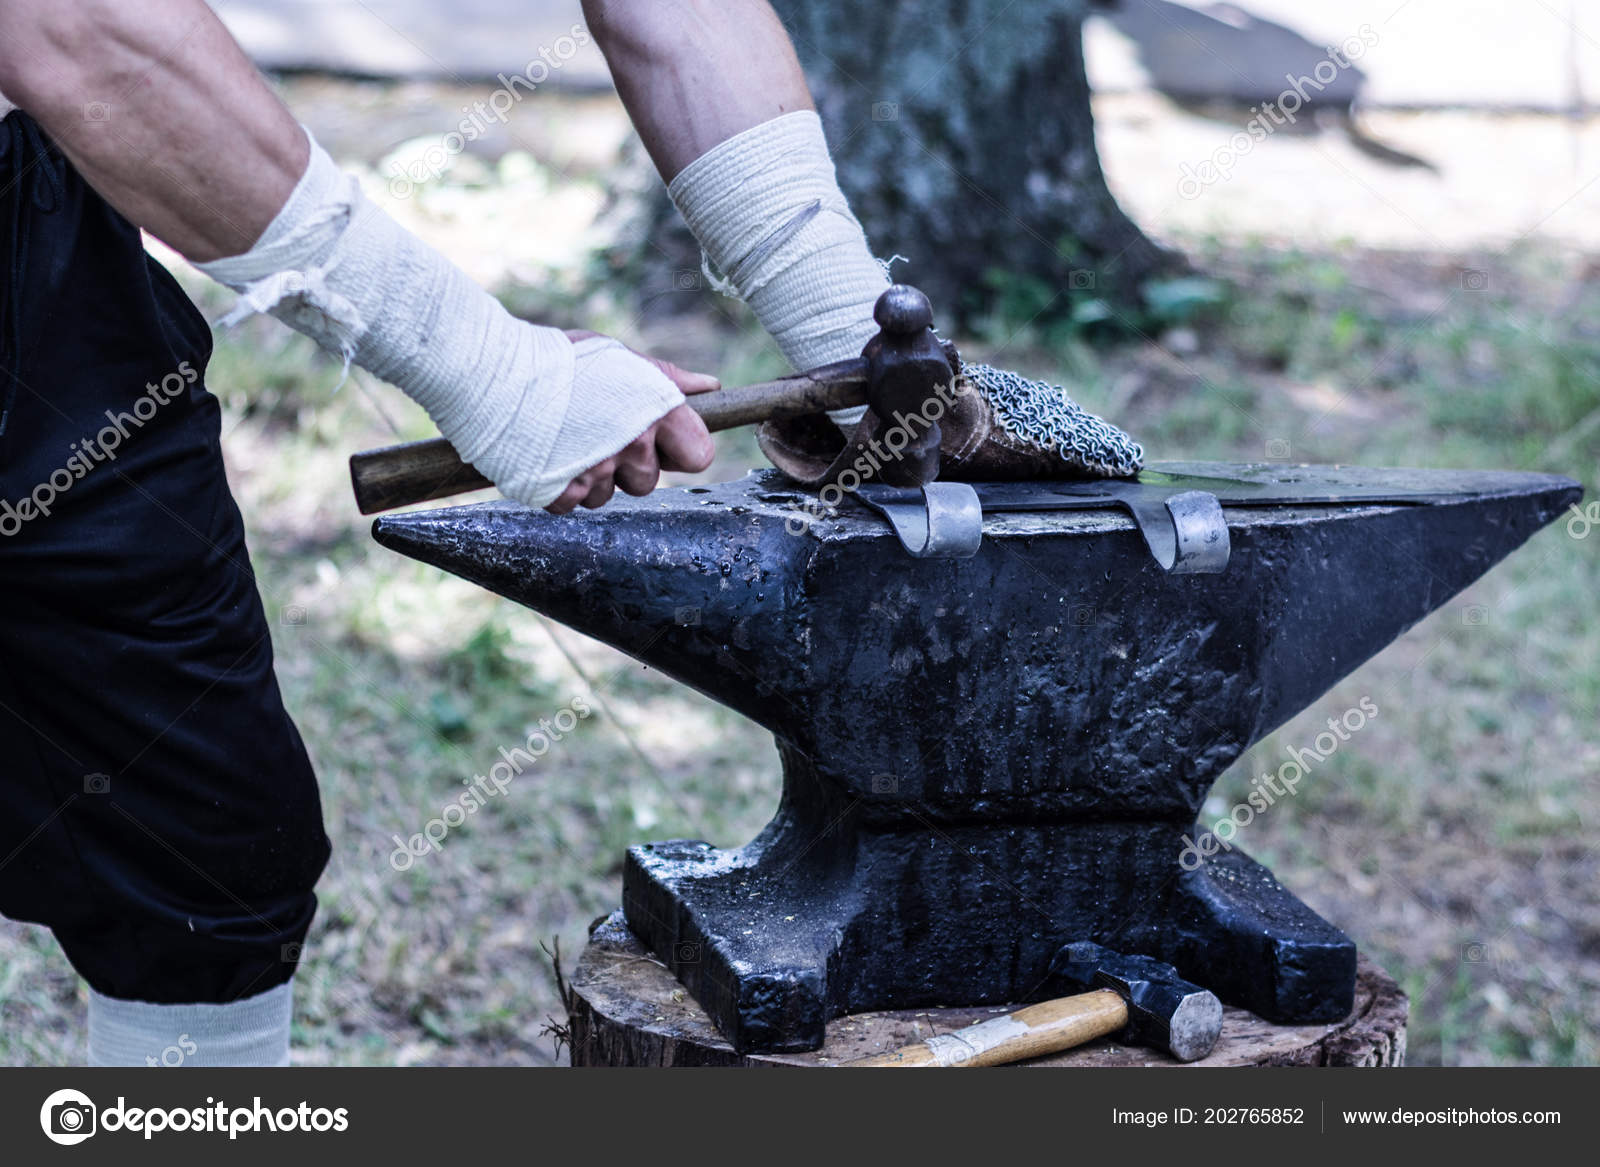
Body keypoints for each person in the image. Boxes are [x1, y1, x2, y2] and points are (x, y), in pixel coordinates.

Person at [0, 0, 1134, 1065]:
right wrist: (501, 375)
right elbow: (82, 33)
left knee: (200, 845)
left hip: (34, 233)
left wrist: (847, 329)